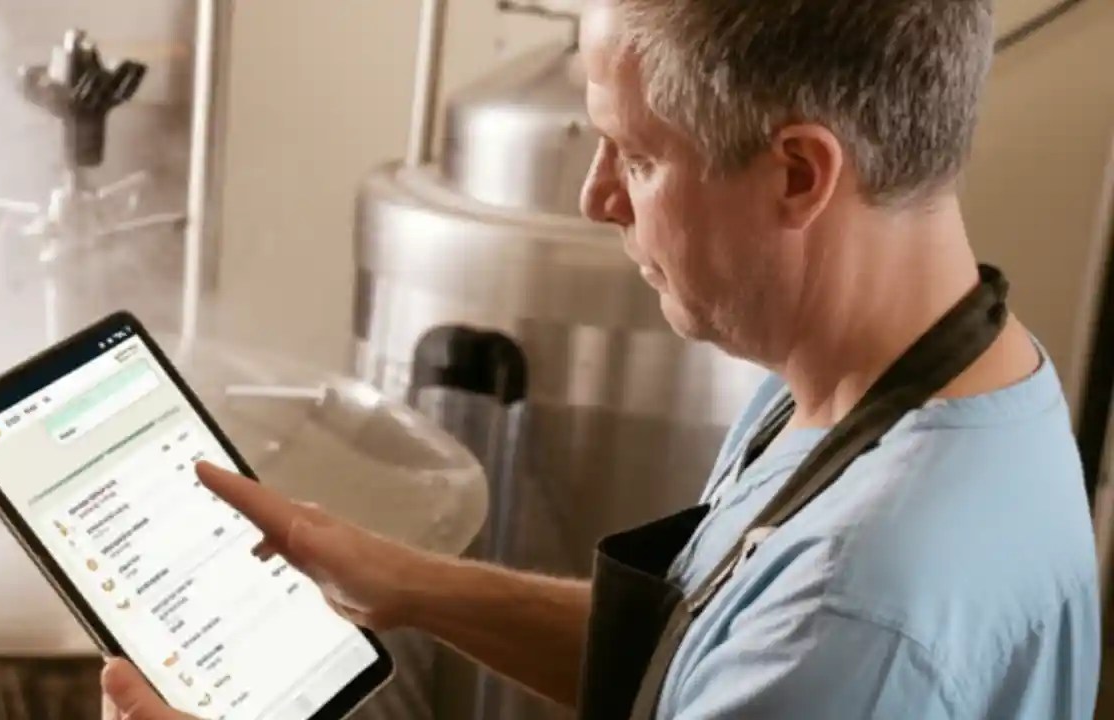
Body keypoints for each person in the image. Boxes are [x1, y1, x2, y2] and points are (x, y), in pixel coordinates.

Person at [102, 0, 1102, 717]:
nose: (597, 197)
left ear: (796, 173)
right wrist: (405, 584)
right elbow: (702, 652)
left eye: (635, 153)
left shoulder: (855, 614)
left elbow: (795, 642)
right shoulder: (926, 378)